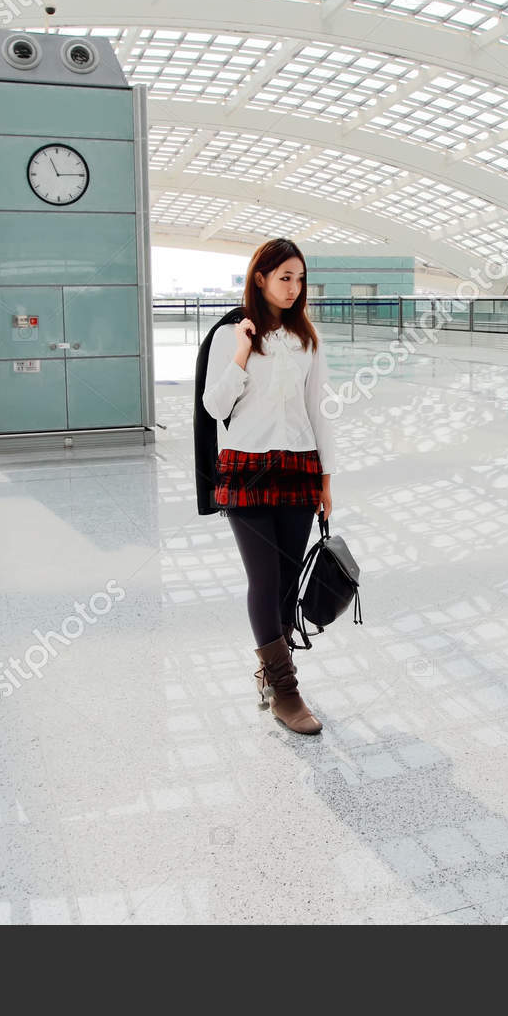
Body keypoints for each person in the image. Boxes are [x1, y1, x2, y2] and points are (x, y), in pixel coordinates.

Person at [200, 238, 336, 735]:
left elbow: (320, 412)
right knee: (265, 577)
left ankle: (269, 670)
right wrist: (241, 352)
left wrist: (325, 480)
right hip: (246, 469)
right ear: (260, 278)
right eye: (285, 278)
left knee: (287, 574)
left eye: (300, 279)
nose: (294, 288)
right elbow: (215, 407)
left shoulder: (307, 339)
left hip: (298, 469)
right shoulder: (230, 336)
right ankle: (285, 689)